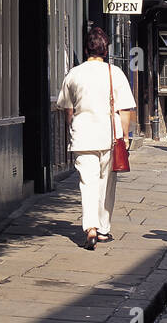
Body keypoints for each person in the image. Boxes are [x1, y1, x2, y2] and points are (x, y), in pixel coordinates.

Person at [57, 25, 136, 249]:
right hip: (109, 135)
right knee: (106, 184)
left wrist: (72, 128)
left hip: (83, 135)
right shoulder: (115, 73)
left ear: (85, 49)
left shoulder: (74, 74)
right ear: (106, 49)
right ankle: (103, 229)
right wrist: (125, 137)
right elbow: (125, 109)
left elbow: (67, 109)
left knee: (87, 183)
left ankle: (90, 227)